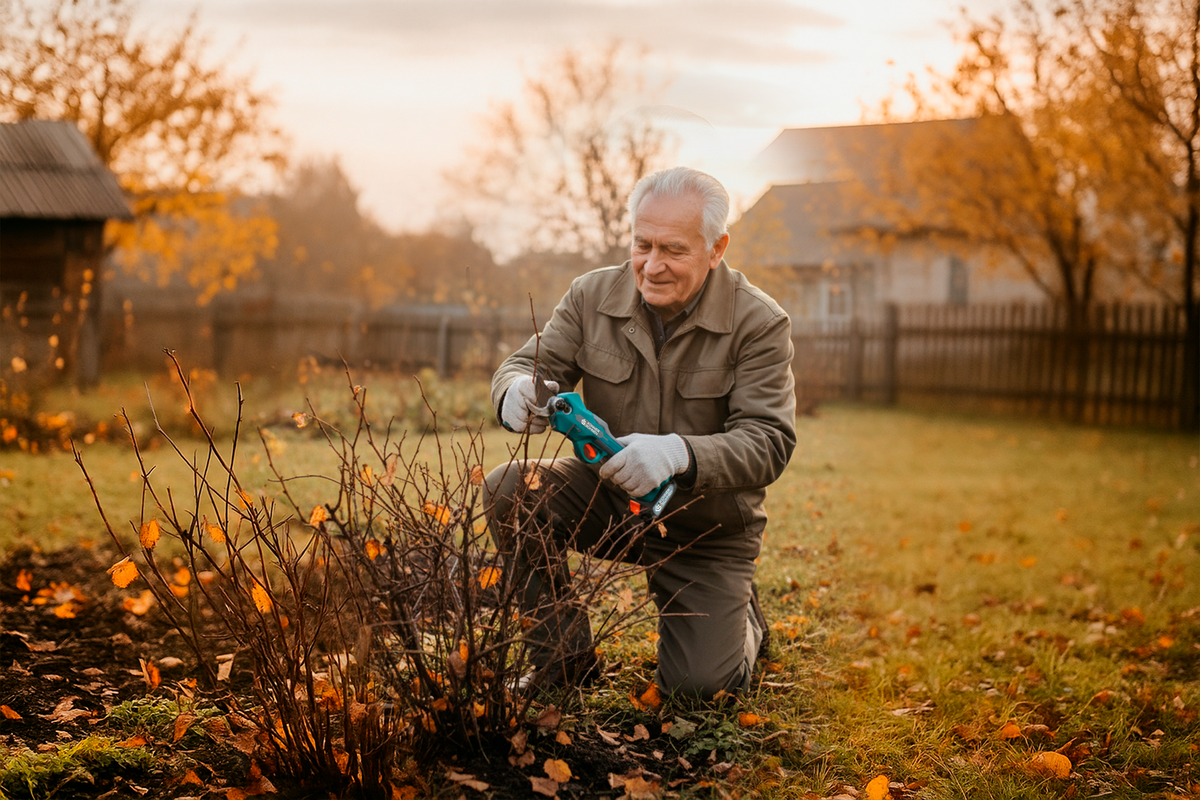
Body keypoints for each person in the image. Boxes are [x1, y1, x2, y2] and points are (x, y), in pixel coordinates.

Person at [484, 166, 796, 698]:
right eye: (642, 244)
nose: (652, 266)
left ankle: (743, 620)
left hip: (705, 528)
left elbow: (768, 441)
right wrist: (516, 390)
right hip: (609, 503)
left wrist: (678, 453)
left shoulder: (759, 322)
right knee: (510, 488)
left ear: (716, 248)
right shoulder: (590, 295)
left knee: (697, 691)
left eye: (673, 250)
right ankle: (564, 665)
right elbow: (523, 364)